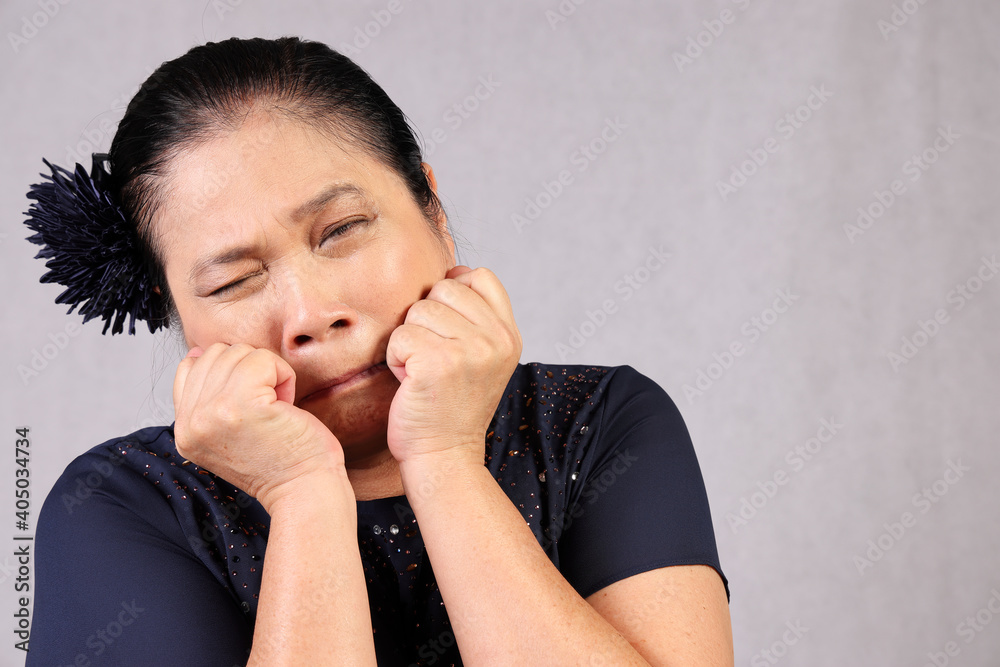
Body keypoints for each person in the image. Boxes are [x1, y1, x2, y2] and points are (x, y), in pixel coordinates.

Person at [23, 36, 732, 666]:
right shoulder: (118, 505)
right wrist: (301, 495)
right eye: (235, 280)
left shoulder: (598, 424)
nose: (309, 314)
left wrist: (444, 455)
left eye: (341, 231)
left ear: (433, 208)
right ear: (176, 311)